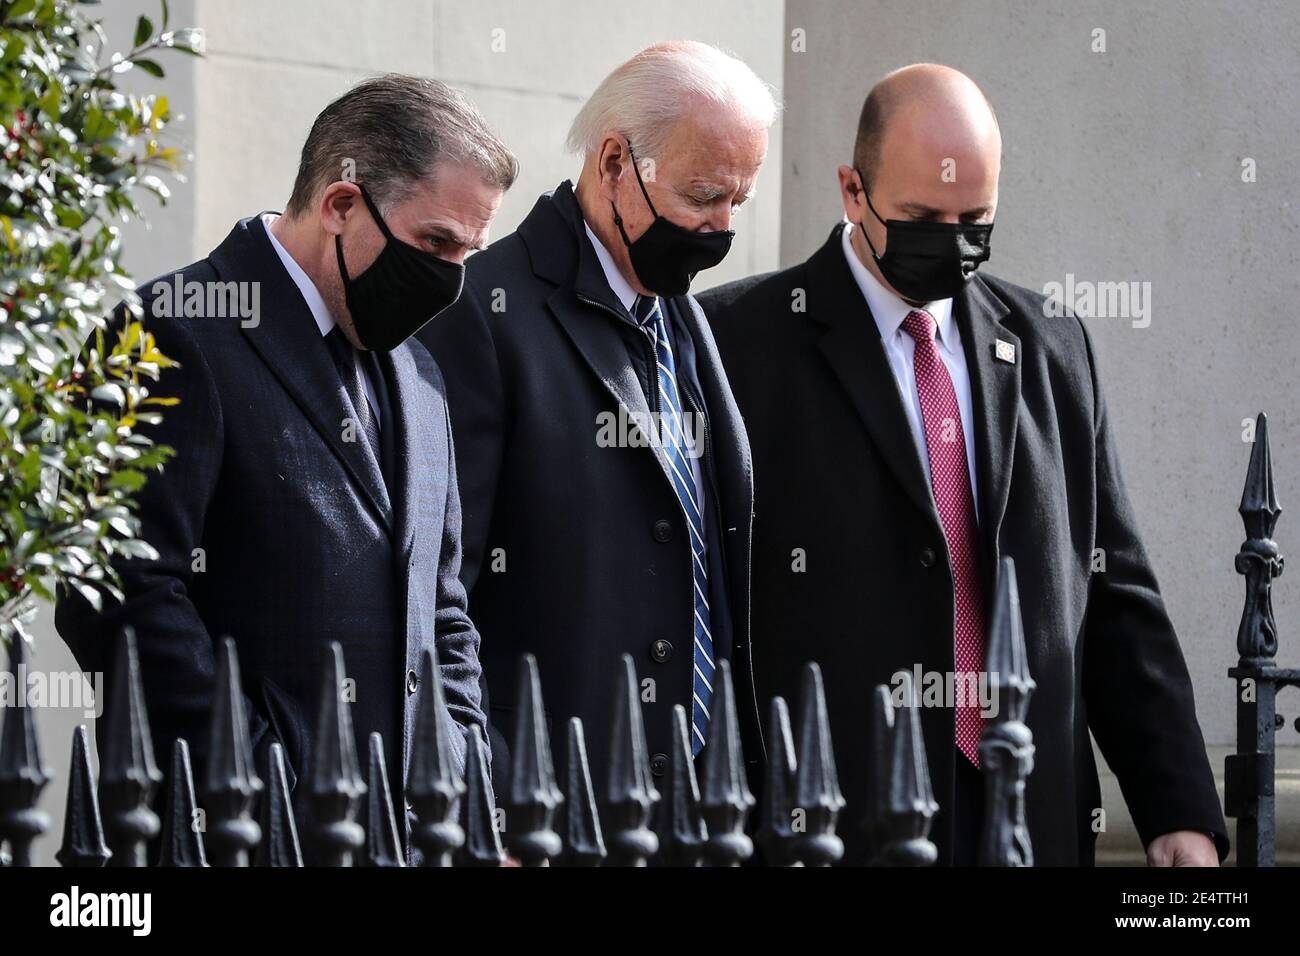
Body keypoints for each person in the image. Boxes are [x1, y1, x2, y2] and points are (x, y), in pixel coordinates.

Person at [699, 63, 1228, 866]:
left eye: (973, 217)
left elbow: (1112, 588)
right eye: (918, 216)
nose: (948, 240)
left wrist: (1176, 808)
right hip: (836, 817)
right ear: (852, 190)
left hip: (1027, 811)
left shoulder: (1053, 343)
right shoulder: (736, 342)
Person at [56, 74, 516, 864]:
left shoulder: (420, 376)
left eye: (468, 254)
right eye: (436, 244)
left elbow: (443, 612)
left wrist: (462, 783)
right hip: (230, 836)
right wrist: (269, 776)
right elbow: (119, 594)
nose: (450, 280)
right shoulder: (172, 329)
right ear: (341, 203)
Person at [418, 42, 777, 789]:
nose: (720, 226)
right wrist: (486, 792)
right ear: (614, 162)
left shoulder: (681, 315)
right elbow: (440, 597)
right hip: (551, 801)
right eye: (704, 194)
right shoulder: (482, 313)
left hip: (701, 797)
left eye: (738, 202)